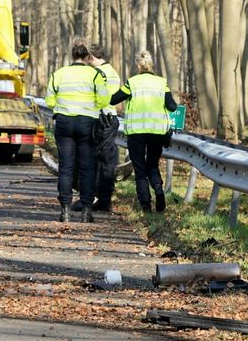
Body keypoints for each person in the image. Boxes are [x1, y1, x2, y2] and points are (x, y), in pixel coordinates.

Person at [45, 38, 110, 222]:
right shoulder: (95, 75)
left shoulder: (59, 73)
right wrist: (91, 107)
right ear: (87, 56)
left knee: (66, 167)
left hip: (64, 123)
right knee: (87, 168)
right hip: (86, 124)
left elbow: (49, 101)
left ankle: (65, 210)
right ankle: (86, 211)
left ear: (72, 55)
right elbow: (104, 100)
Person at [110, 51, 177, 212]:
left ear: (138, 65)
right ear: (151, 64)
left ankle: (146, 206)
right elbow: (172, 106)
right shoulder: (162, 83)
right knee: (152, 165)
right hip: (157, 133)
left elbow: (113, 100)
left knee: (140, 170)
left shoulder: (132, 83)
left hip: (136, 133)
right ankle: (159, 191)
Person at [76, 43, 122, 213]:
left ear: (90, 57)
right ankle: (104, 199)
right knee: (107, 161)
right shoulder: (112, 72)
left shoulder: (97, 73)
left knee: (93, 160)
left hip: (100, 119)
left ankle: (92, 198)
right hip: (111, 118)